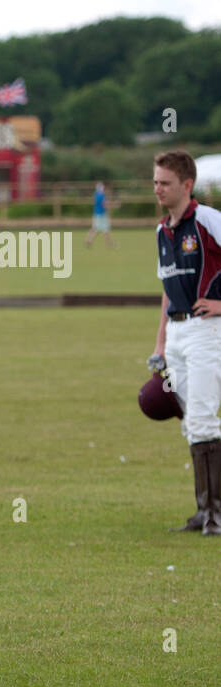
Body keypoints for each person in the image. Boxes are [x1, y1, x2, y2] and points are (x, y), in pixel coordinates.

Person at [146, 152, 221, 534]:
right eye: (156, 181)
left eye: (165, 183)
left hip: (208, 330)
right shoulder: (162, 231)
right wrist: (160, 344)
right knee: (191, 423)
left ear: (186, 185)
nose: (157, 188)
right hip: (176, 334)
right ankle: (202, 511)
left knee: (205, 418)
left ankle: (215, 514)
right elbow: (166, 289)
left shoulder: (209, 221)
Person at [86, 181, 117, 249]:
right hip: (102, 215)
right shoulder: (101, 195)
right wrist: (114, 205)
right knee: (105, 229)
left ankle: (89, 241)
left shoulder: (96, 195)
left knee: (96, 228)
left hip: (96, 214)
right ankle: (110, 244)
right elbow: (104, 204)